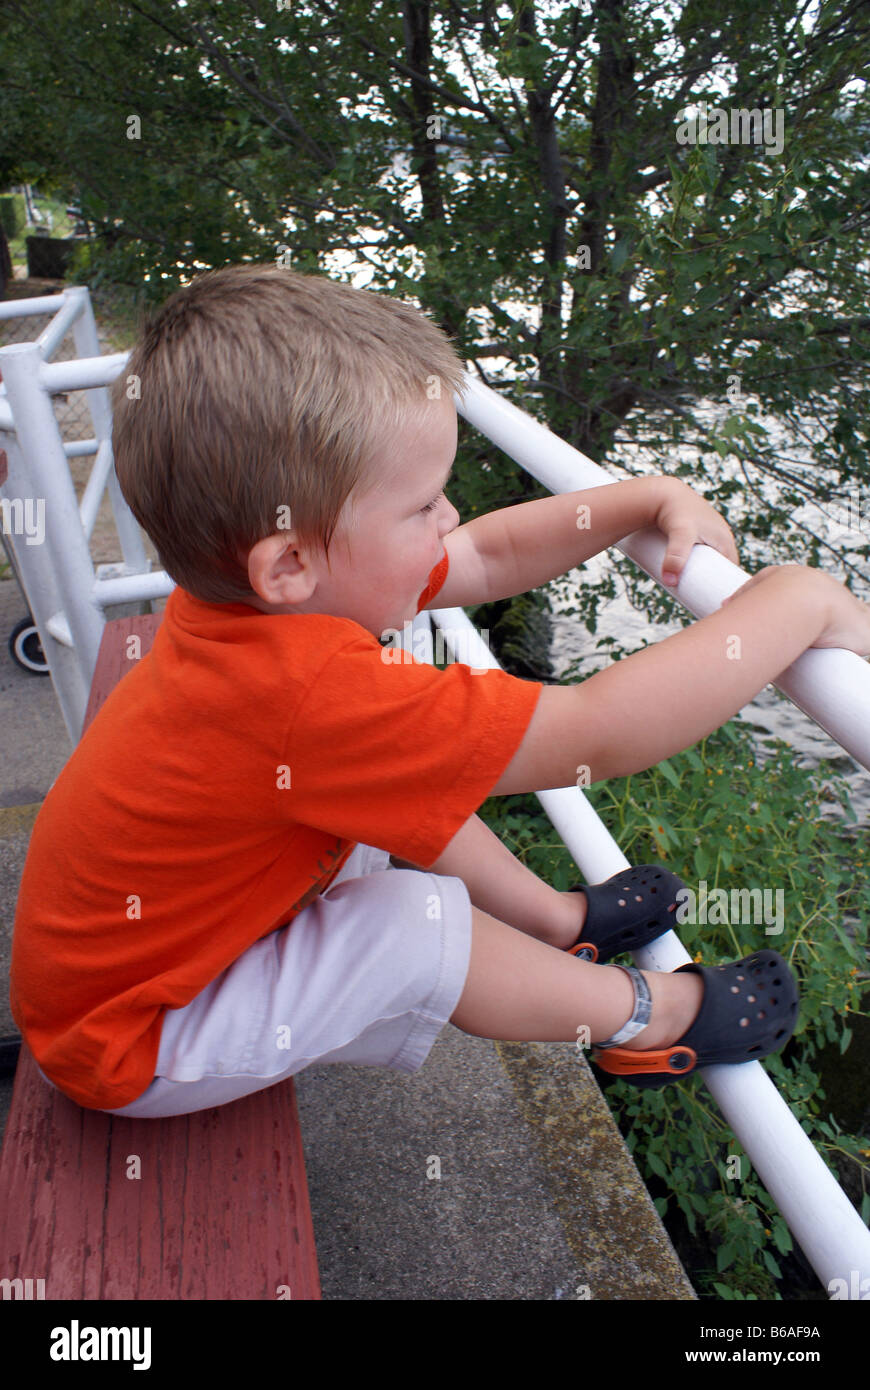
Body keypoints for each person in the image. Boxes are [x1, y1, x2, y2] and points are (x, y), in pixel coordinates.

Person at [11, 265, 870, 1116]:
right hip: (130, 1044)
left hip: (155, 961)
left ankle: (555, 918)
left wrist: (643, 499)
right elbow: (595, 734)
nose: (451, 516)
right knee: (414, 923)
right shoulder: (304, 687)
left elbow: (487, 558)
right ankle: (650, 1019)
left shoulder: (261, 594)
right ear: (290, 563)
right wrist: (791, 603)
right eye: (423, 504)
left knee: (396, 778)